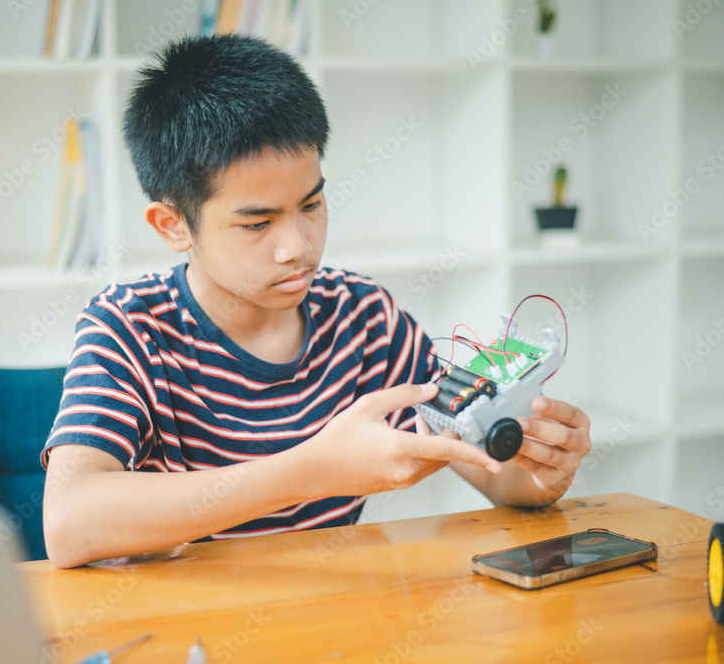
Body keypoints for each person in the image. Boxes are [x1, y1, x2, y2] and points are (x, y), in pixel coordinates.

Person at [41, 34, 591, 568]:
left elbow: (488, 468)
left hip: (333, 612)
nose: (298, 248)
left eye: (311, 205)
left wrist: (541, 472)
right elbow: (68, 523)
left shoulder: (363, 317)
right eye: (257, 223)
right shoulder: (130, 325)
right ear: (173, 225)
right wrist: (312, 470)